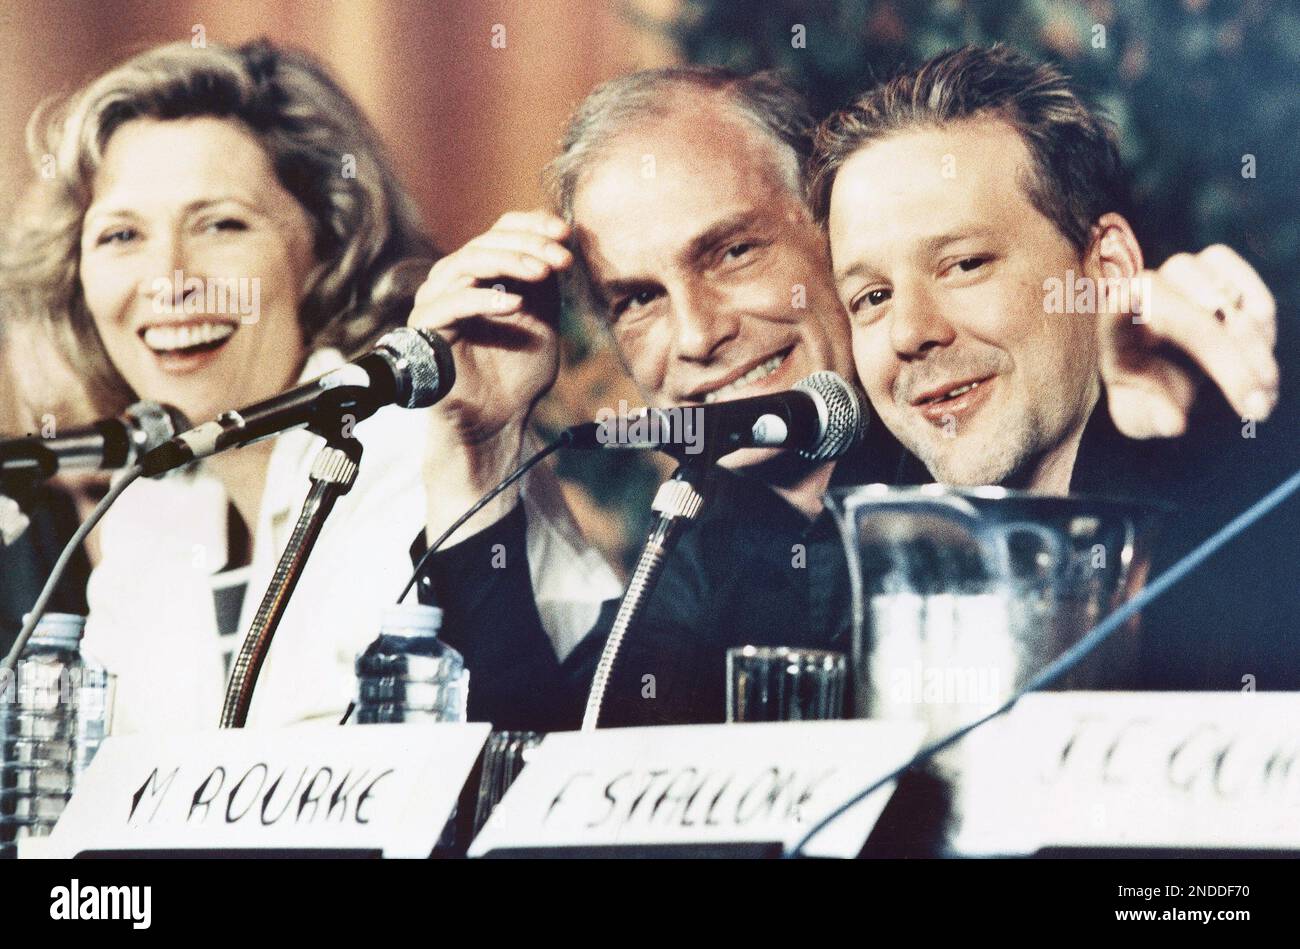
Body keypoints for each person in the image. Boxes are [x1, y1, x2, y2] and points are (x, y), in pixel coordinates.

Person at [406, 57, 1283, 728]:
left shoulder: (1192, 406)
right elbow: (562, 788)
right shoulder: (723, 527)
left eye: (732, 251)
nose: (698, 334)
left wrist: (1179, 436)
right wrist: (475, 452)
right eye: (635, 299)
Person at [0, 38, 611, 734]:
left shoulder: (421, 443)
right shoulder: (150, 508)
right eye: (120, 236)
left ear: (326, 245)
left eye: (220, 224)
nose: (169, 280)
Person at [813, 44, 1296, 692]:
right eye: (872, 297)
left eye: (964, 264)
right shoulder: (853, 574)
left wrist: (1232, 417)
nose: (910, 332)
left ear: (1108, 268)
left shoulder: (1248, 475)